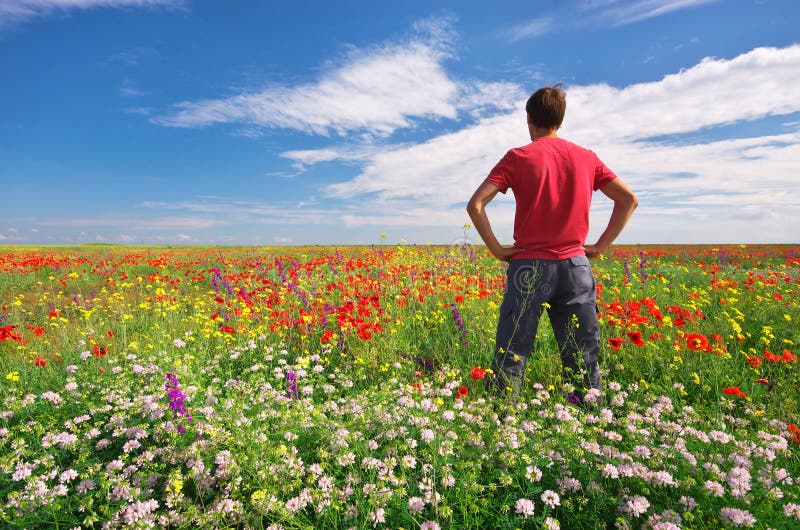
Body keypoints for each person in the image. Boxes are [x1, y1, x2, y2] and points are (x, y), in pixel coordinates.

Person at [466, 85, 637, 404]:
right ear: (560, 120)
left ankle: (502, 433)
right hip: (575, 267)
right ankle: (591, 435)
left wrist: (498, 250)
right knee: (583, 360)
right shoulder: (586, 158)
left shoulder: (517, 157)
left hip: (527, 268)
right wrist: (599, 246)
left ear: (529, 119)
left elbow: (476, 204)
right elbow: (628, 200)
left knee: (512, 355)